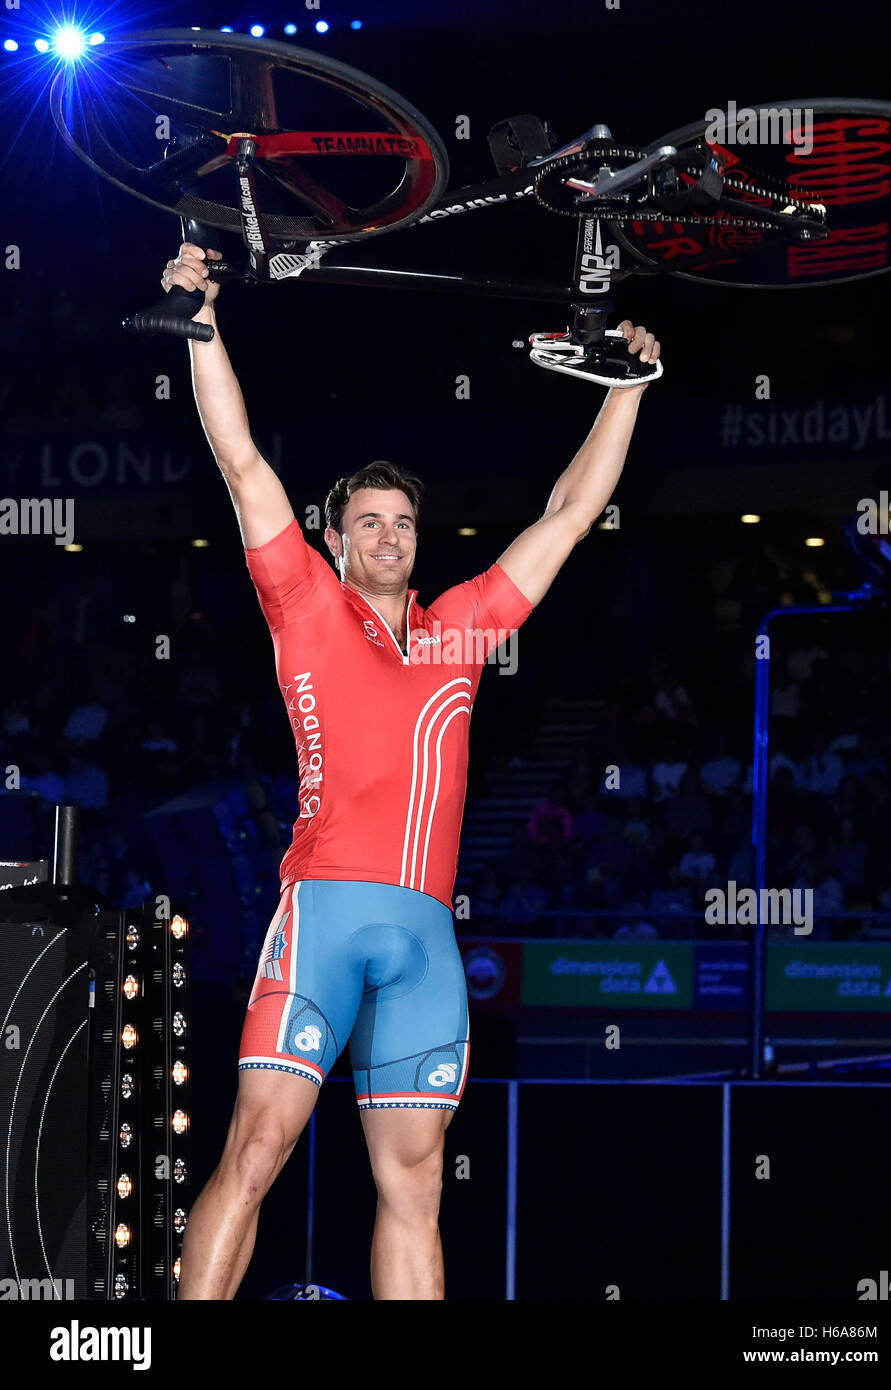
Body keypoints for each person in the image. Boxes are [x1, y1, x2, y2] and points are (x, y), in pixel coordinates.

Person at [163, 240, 661, 1301]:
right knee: (256, 1150)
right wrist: (202, 324)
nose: (389, 537)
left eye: (403, 524)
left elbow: (568, 515)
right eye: (369, 524)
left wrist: (625, 390)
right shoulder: (302, 603)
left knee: (417, 1186)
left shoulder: (462, 631)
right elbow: (241, 461)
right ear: (334, 537)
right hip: (323, 913)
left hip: (426, 938)